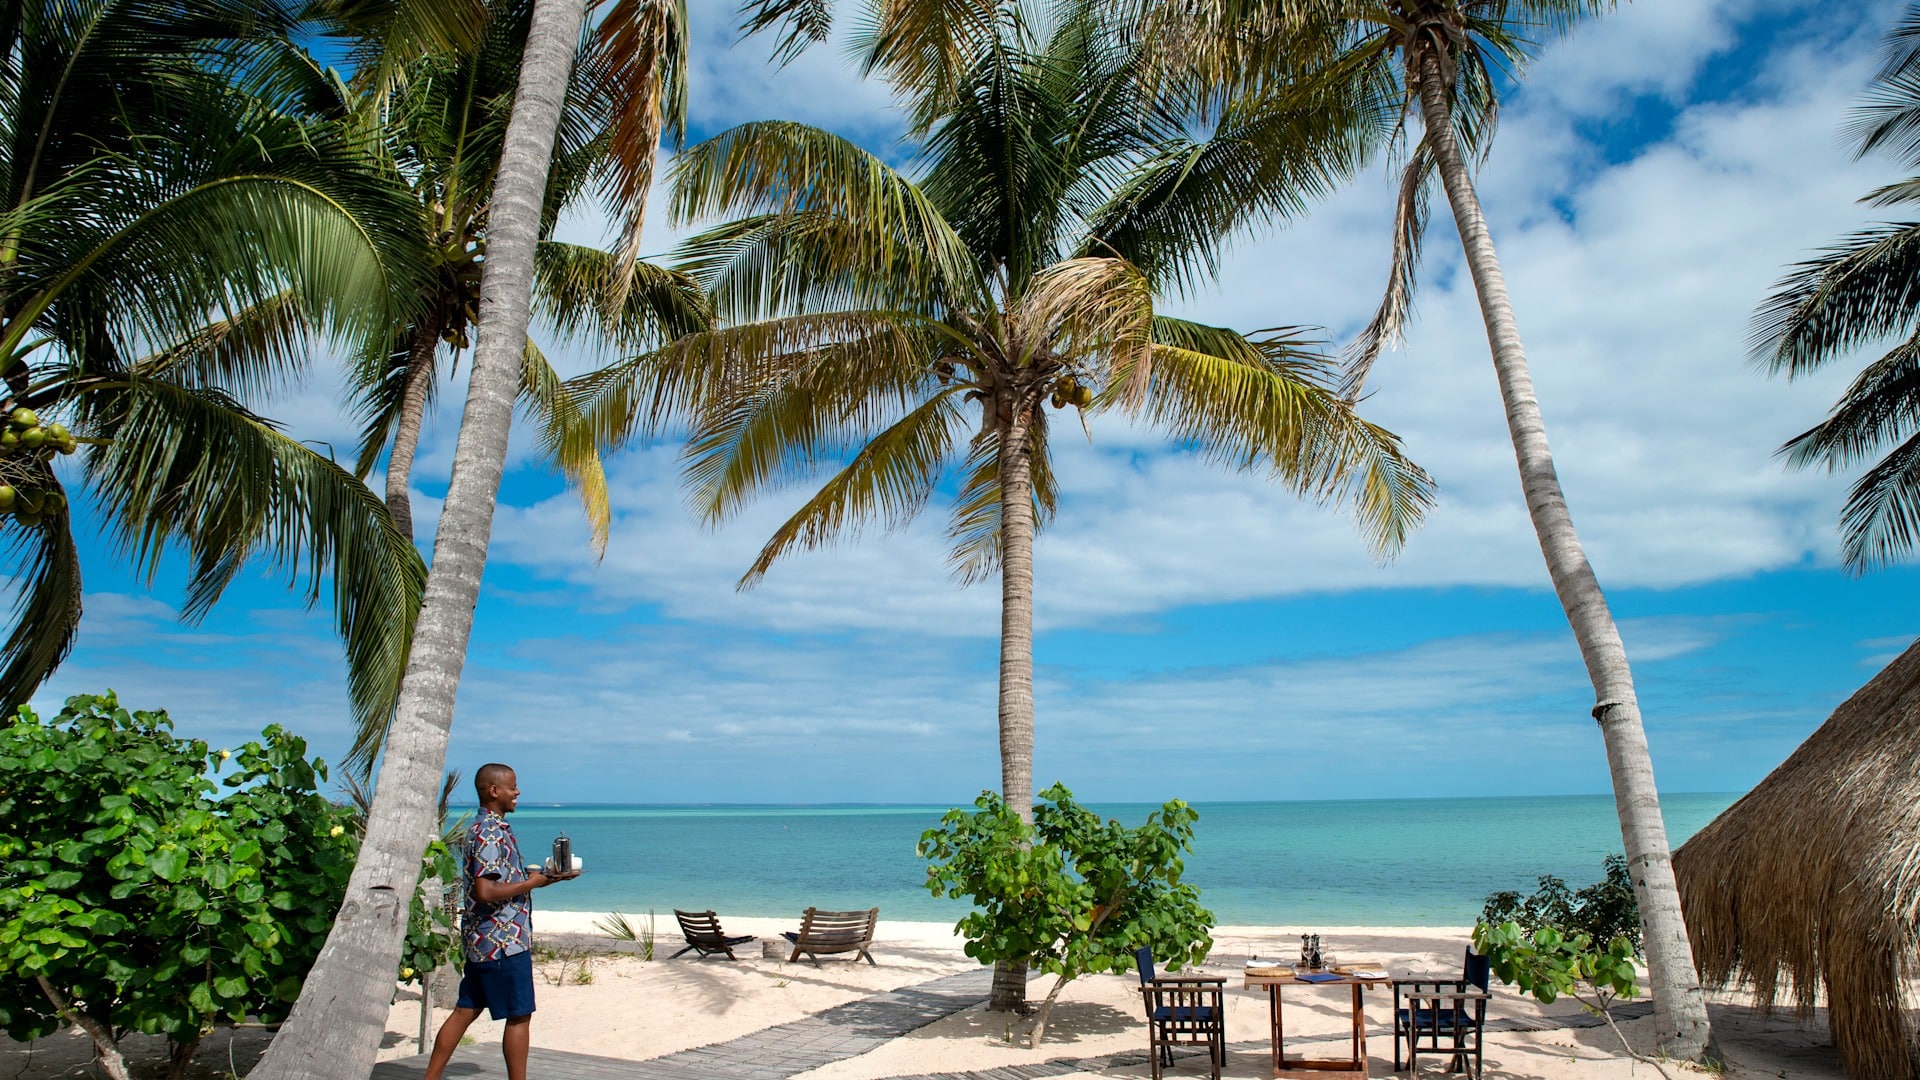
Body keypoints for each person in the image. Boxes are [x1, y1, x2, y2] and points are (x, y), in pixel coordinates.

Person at [422, 762, 576, 1080]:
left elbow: (502, 884)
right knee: (519, 1015)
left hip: (483, 940)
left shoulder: (488, 827)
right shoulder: (490, 831)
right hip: (503, 943)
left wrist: (547, 879)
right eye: (512, 787)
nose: (517, 792)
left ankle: (431, 1076)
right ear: (494, 791)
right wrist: (532, 883)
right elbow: (485, 890)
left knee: (466, 1009)